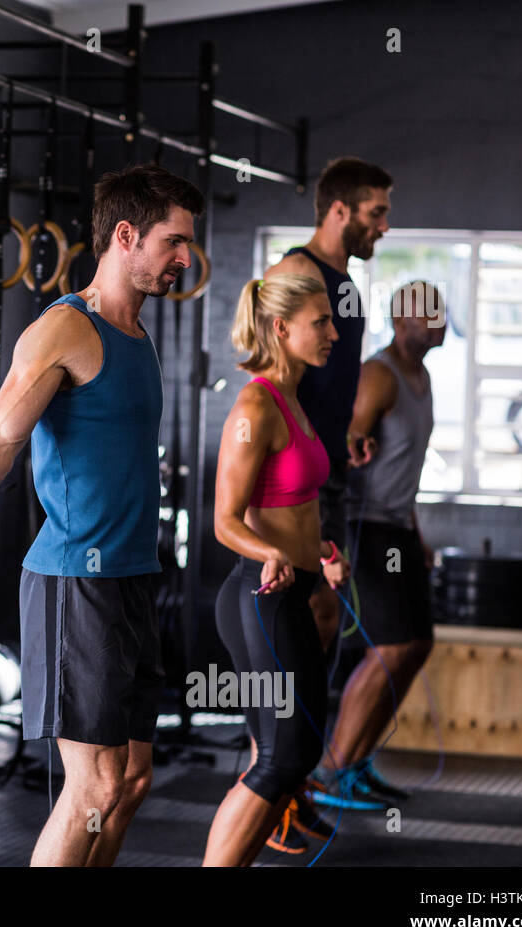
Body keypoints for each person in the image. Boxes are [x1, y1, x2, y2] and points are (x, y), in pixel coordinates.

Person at [0, 163, 204, 866]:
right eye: (174, 241)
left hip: (133, 580)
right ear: (126, 235)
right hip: (73, 584)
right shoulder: (64, 329)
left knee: (132, 781)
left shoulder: (141, 333)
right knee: (93, 787)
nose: (186, 258)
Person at [262, 156, 391, 845]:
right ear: (338, 210)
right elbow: (260, 367)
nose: (384, 226)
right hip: (290, 483)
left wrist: (344, 434)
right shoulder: (295, 273)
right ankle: (268, 790)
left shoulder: (346, 287)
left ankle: (294, 785)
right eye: (376, 212)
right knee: (286, 633)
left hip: (329, 473)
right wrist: (299, 445)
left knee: (320, 633)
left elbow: (328, 380)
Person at [203, 273, 350, 866]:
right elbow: (224, 520)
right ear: (282, 328)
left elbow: (295, 507)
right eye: (321, 322)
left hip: (296, 593)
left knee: (298, 751)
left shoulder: (293, 397)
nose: (334, 333)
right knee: (281, 758)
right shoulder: (255, 403)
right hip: (260, 600)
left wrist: (323, 554)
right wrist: (270, 553)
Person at [311, 281, 445, 810]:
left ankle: (358, 762)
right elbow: (342, 450)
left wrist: (417, 533)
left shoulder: (424, 377)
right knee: (388, 648)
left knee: (417, 645)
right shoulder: (378, 376)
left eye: (441, 313)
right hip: (364, 530)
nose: (437, 322)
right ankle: (329, 771)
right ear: (400, 318)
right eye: (427, 313)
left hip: (399, 528)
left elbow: (403, 471)